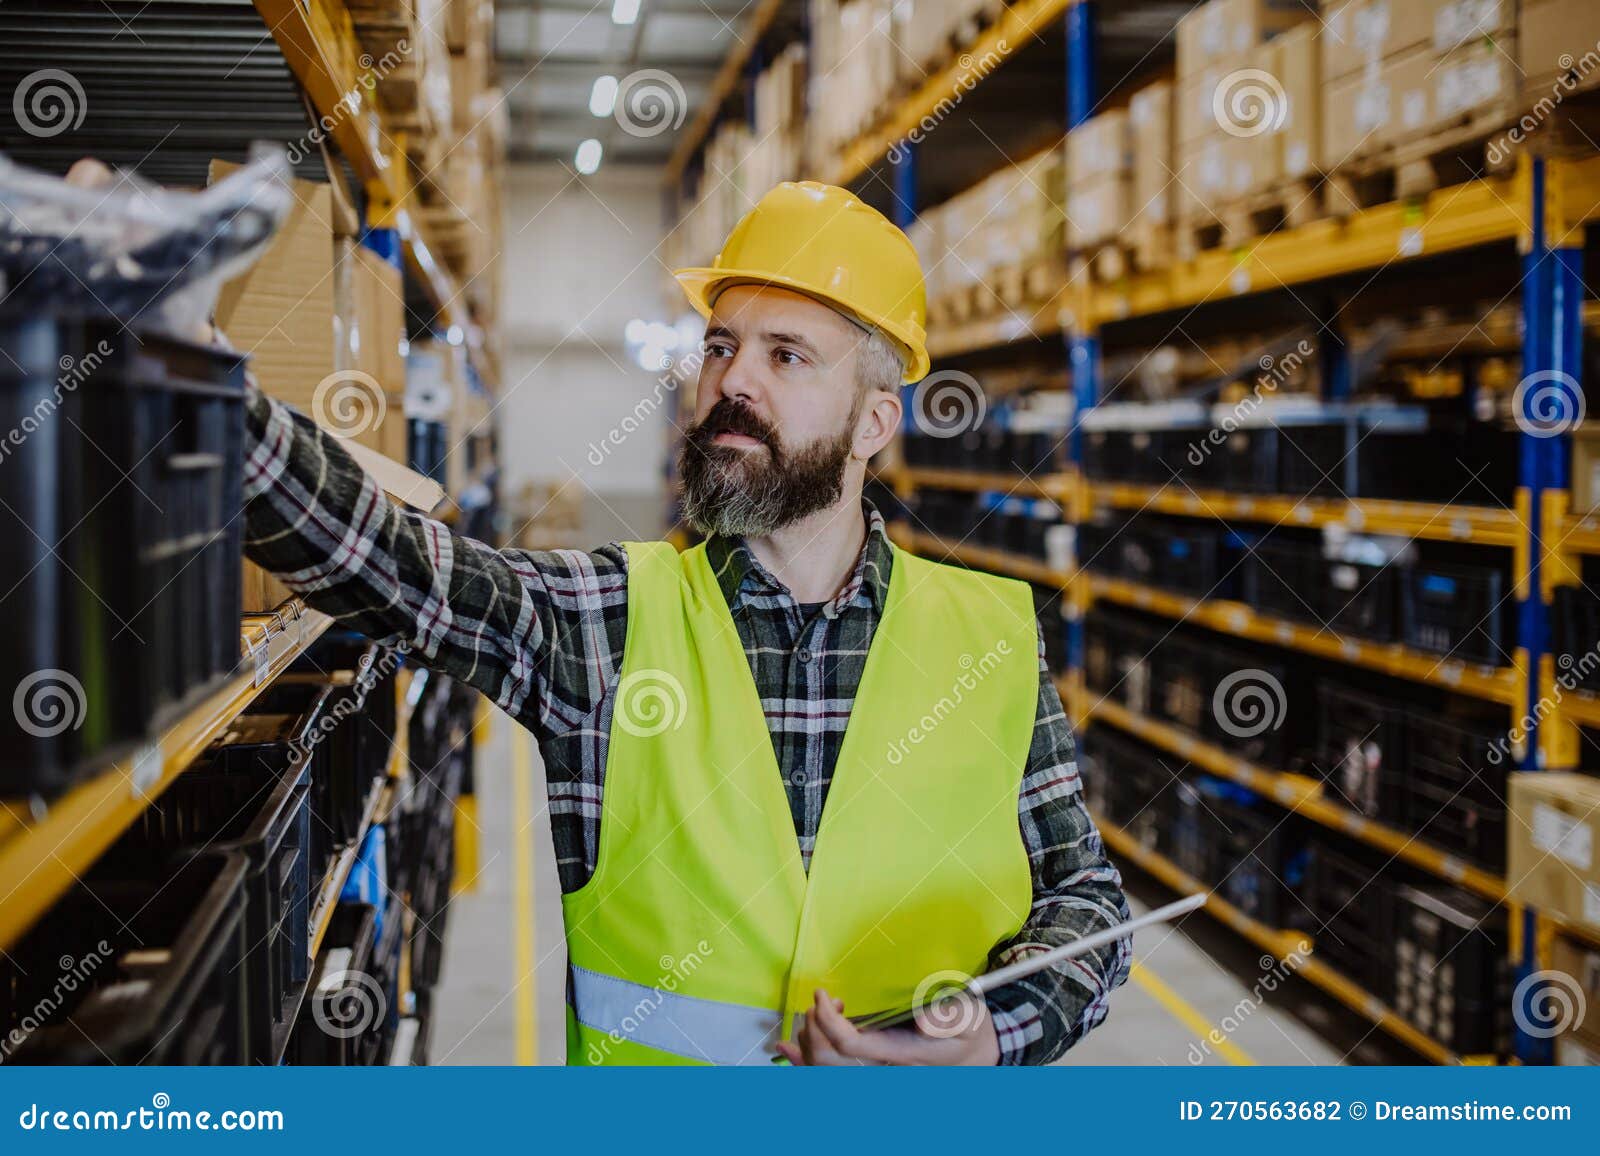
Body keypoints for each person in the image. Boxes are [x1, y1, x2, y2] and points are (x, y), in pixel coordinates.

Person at [241, 180, 1130, 1065]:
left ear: (874, 422)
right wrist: (200, 388)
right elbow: (388, 563)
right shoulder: (606, 624)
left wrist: (988, 1035)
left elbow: (1086, 897)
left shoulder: (992, 636)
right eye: (720, 345)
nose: (731, 380)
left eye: (786, 356)